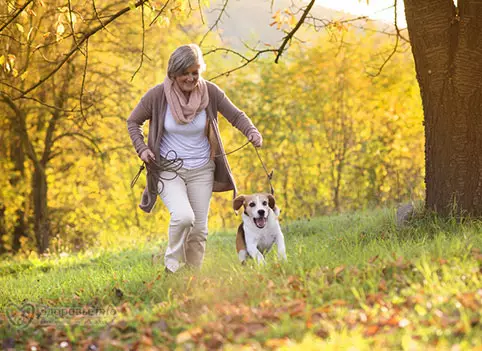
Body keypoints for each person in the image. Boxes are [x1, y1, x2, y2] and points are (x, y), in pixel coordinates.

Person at [127, 44, 263, 273]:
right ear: (173, 74)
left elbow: (236, 115)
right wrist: (142, 149)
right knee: (183, 217)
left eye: (195, 73)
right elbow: (133, 122)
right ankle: (172, 266)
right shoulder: (157, 96)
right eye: (185, 74)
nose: (191, 79)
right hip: (169, 170)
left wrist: (251, 131)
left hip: (202, 170)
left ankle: (192, 276)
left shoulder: (210, 92)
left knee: (199, 230)